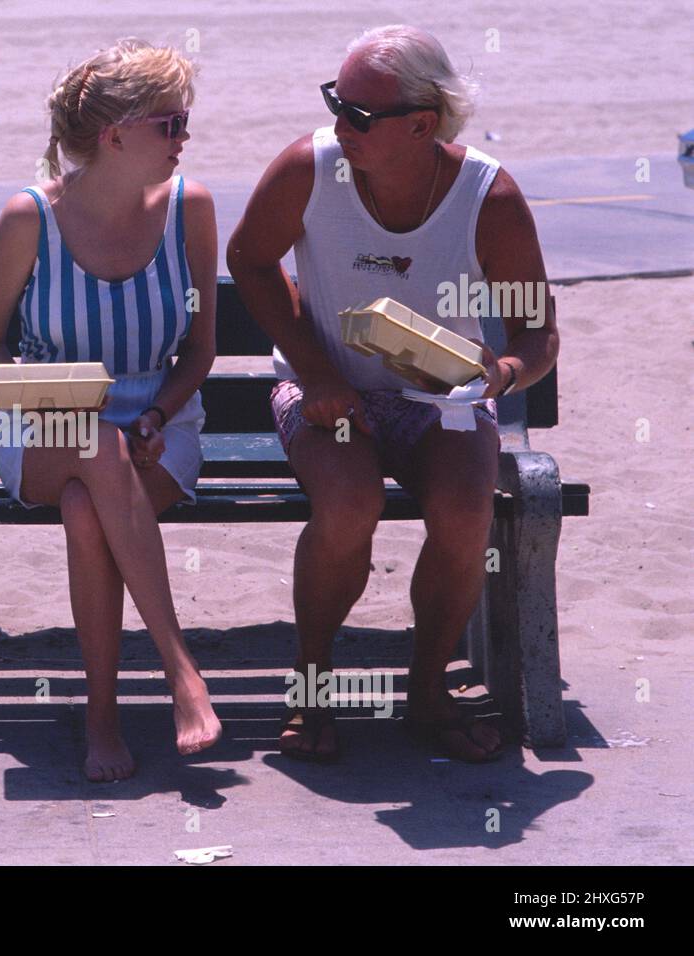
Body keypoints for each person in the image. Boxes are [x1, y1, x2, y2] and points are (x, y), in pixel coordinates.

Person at [227, 25, 560, 762]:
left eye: (359, 115)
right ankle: (312, 686)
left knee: (466, 508)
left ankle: (427, 692)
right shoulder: (309, 167)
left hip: (440, 403)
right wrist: (315, 369)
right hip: (325, 393)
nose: (340, 125)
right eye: (335, 103)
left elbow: (537, 337)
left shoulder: (489, 195)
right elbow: (249, 260)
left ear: (422, 124)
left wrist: (496, 376)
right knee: (350, 504)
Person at [0, 38, 222, 782]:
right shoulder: (30, 218)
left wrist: (158, 413)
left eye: (184, 121)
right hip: (45, 426)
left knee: (89, 504)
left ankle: (103, 720)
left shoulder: (191, 210)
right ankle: (181, 673)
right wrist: (43, 403)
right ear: (115, 137)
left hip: (160, 426)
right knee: (93, 447)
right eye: (170, 123)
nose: (185, 137)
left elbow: (201, 351)